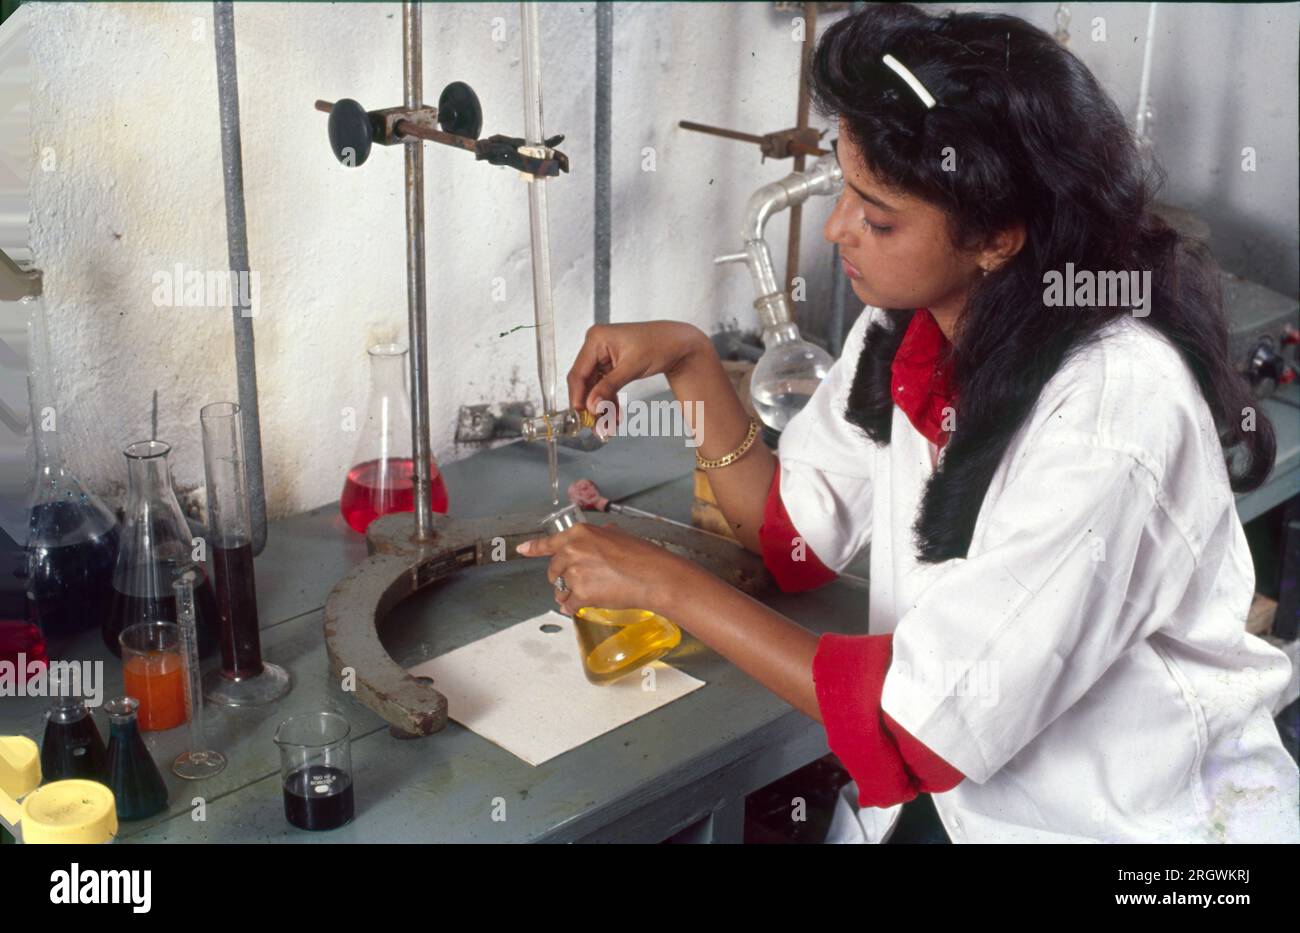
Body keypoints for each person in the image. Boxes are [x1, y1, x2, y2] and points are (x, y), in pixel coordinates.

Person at [516, 4, 1299, 842]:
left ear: (997, 236)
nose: (835, 228)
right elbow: (791, 541)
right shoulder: (912, 331)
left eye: (877, 215)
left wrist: (663, 584)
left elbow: (914, 729)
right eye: (844, 191)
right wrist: (689, 363)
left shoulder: (1111, 412)